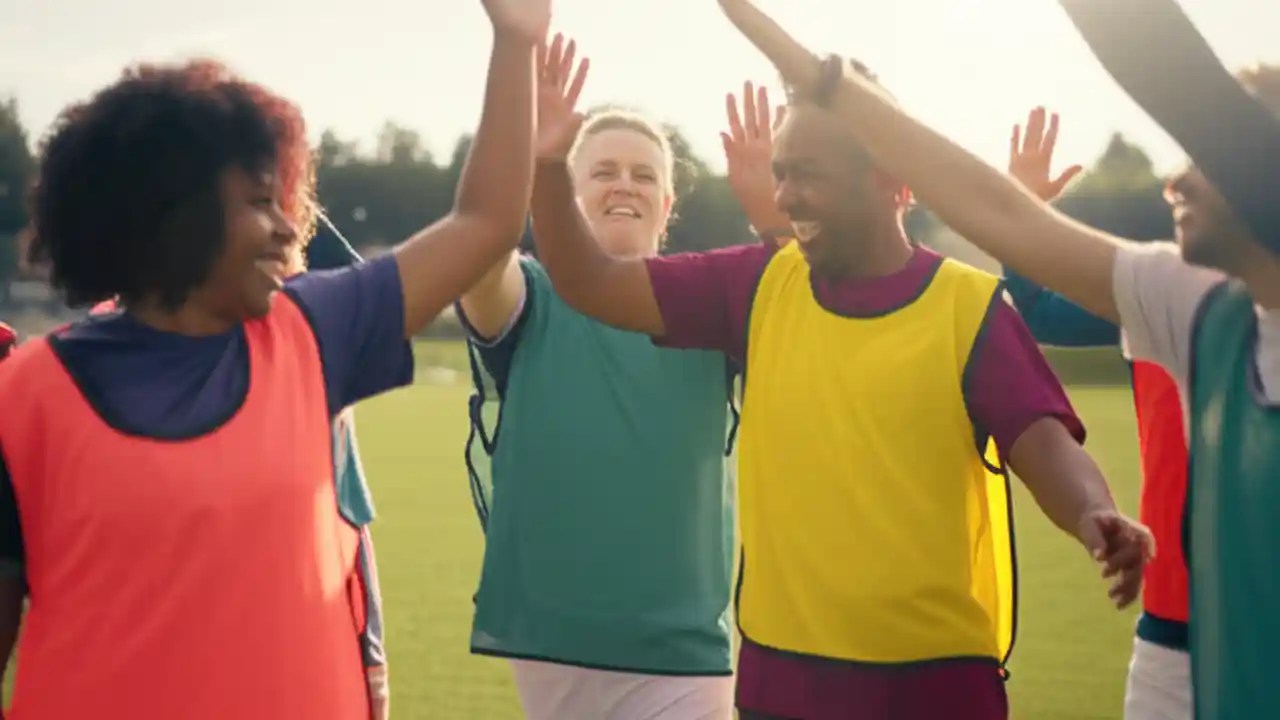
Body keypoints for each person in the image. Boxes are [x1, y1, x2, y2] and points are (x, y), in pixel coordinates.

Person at [525, 34, 1152, 720]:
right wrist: (550, 162)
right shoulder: (755, 284)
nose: (786, 194)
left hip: (937, 691)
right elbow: (587, 281)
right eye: (782, 172)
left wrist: (1096, 515)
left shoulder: (967, 307)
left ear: (894, 181)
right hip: (780, 688)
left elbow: (1047, 446)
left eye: (808, 174)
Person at [710, 0, 1278, 716]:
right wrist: (822, 83)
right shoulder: (1193, 308)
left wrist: (822, 82)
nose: (1178, 179)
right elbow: (1002, 215)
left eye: (1212, 151)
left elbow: (1163, 63)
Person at [0, 0, 546, 716]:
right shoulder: (25, 396)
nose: (289, 228)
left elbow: (485, 224)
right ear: (173, 210)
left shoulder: (312, 333)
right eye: (262, 201)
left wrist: (516, 41)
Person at [459, 35, 757, 720]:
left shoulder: (713, 306)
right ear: (568, 180)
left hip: (684, 650)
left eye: (644, 174)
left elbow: (807, 294)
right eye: (602, 170)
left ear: (668, 200)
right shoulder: (526, 296)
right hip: (551, 644)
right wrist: (528, 151)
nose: (625, 183)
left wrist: (774, 213)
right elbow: (476, 246)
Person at [1004, 108, 1191, 720]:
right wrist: (1021, 210)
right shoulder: (1160, 294)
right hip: (1172, 632)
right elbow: (1036, 310)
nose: (1181, 183)